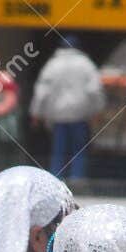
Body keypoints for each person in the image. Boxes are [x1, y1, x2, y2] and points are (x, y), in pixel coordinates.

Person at [29, 33, 105, 183]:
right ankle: (77, 182)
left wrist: (36, 113)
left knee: (58, 151)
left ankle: (55, 182)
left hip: (58, 116)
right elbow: (94, 90)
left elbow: (42, 92)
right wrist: (97, 110)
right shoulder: (86, 64)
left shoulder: (52, 65)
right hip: (80, 115)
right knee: (79, 151)